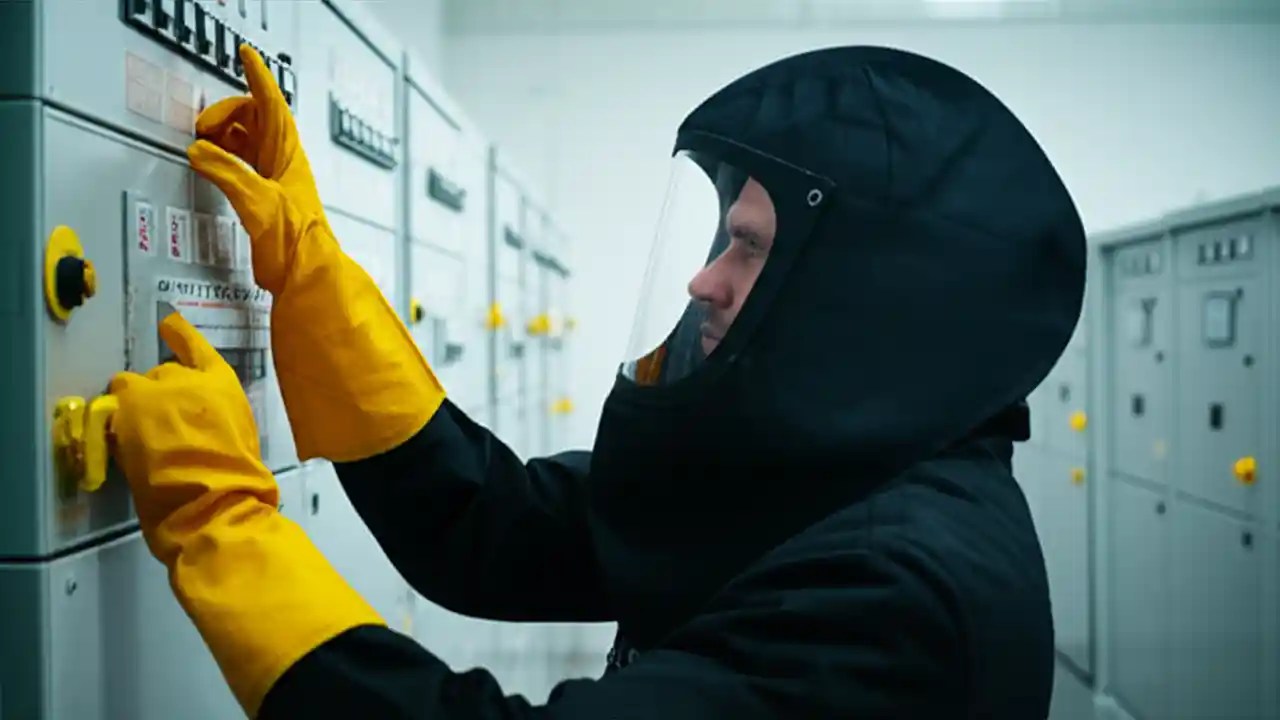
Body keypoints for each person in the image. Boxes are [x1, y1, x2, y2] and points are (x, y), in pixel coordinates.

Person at [108, 42, 1085, 718]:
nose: (703, 277)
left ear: (863, 289)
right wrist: (309, 278)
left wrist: (222, 528)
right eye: (716, 239)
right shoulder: (822, 474)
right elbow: (491, 526)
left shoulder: (900, 595)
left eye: (745, 248)